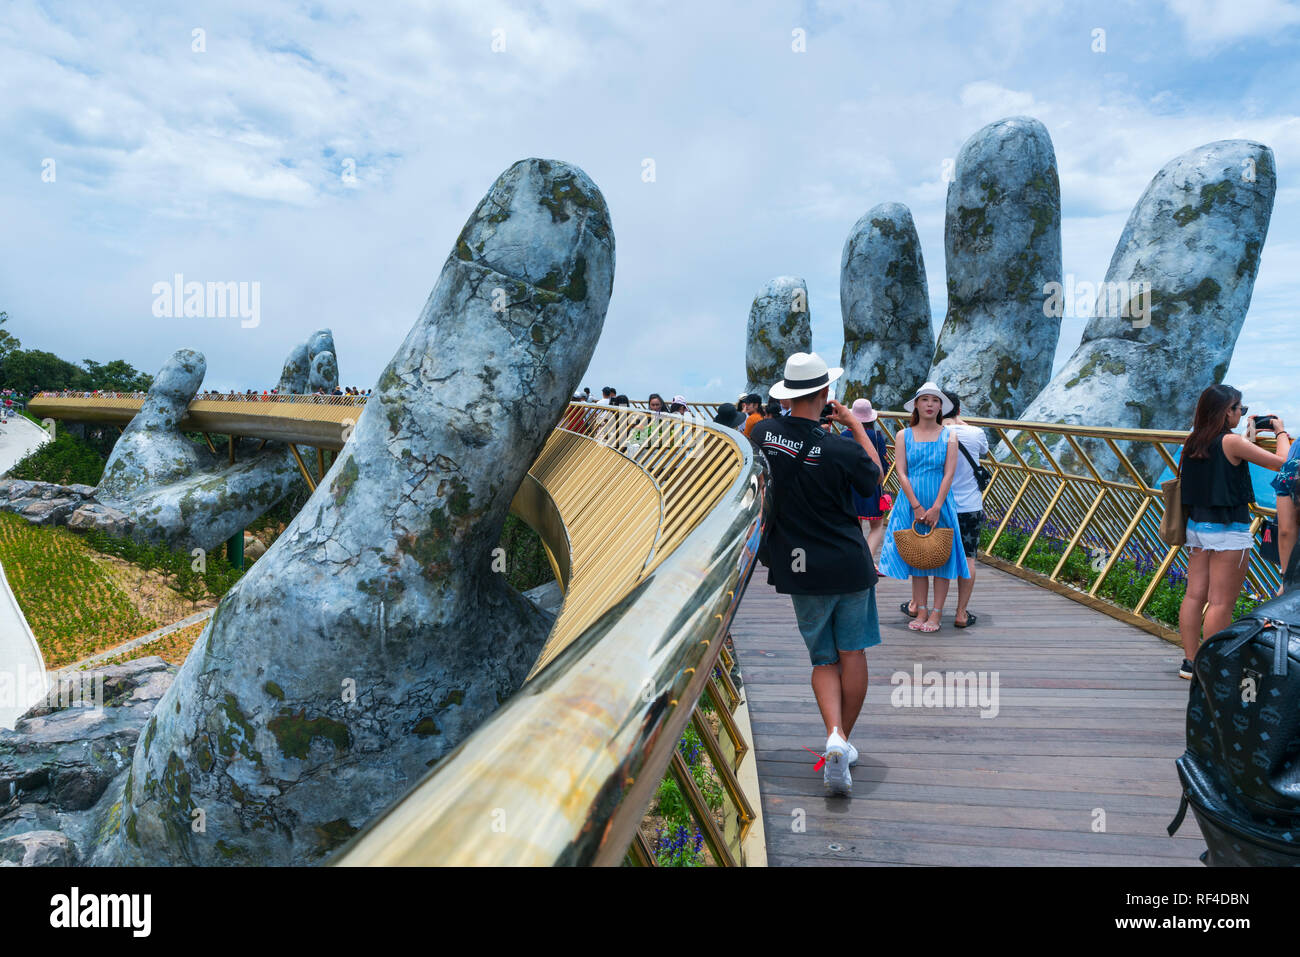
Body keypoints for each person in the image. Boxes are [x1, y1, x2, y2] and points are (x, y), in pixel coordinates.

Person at [756, 352, 884, 796]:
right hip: (848, 561)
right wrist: (854, 425)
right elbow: (876, 481)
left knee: (823, 659)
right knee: (853, 654)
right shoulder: (841, 446)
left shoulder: (763, 433)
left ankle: (834, 737)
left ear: (788, 394)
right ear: (826, 394)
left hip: (799, 565)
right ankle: (840, 741)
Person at [1178, 385, 1291, 678]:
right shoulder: (1231, 442)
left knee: (1194, 597)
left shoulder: (1192, 441)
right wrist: (1280, 432)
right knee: (1220, 602)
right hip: (1229, 531)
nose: (1241, 413)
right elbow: (1282, 463)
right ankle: (1212, 666)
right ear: (1226, 411)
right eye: (1239, 408)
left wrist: (1247, 437)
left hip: (1197, 529)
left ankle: (1190, 662)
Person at [879, 382, 970, 632]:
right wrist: (917, 506)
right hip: (911, 501)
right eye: (925, 399)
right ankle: (921, 610)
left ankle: (937, 614)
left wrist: (937, 506)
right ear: (916, 405)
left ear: (941, 407)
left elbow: (949, 474)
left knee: (941, 557)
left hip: (941, 503)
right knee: (917, 557)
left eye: (935, 400)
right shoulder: (903, 435)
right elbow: (901, 472)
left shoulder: (949, 435)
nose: (930, 404)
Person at [938, 390, 989, 628]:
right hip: (970, 506)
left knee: (939, 557)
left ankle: (927, 608)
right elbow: (983, 452)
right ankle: (961, 613)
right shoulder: (975, 433)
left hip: (942, 506)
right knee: (968, 557)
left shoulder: (935, 434)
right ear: (958, 410)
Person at [847, 399, 890, 567]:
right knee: (877, 526)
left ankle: (854, 560)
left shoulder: (844, 435)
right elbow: (884, 463)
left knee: (854, 526)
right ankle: (868, 560)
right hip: (871, 485)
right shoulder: (876, 436)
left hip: (849, 486)